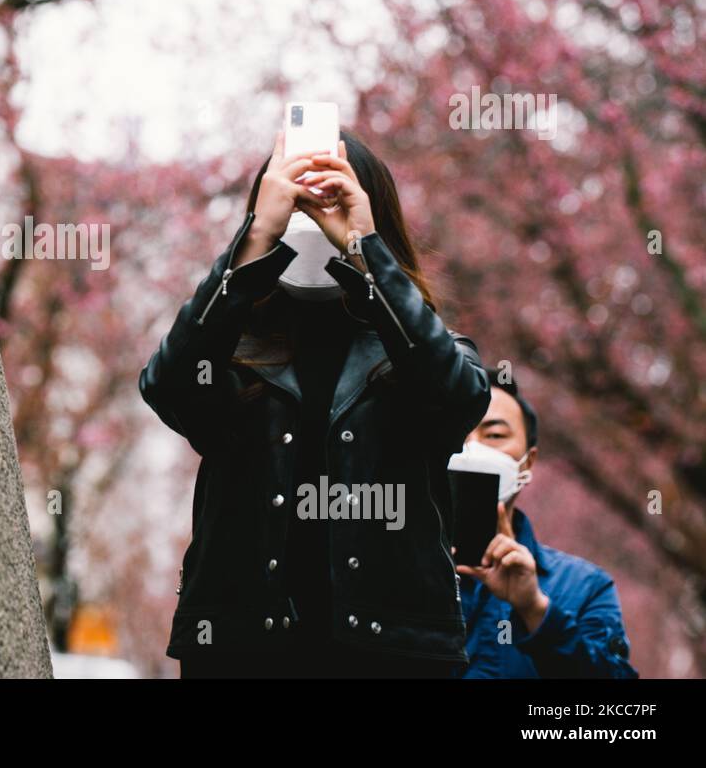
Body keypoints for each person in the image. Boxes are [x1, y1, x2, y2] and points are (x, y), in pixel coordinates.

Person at [140, 127, 491, 678]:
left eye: (327, 201)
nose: (312, 221)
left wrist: (367, 253)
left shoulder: (424, 349)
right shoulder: (228, 351)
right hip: (243, 651)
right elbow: (167, 386)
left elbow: (457, 399)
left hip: (391, 655)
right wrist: (255, 243)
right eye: (295, 204)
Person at [453, 379, 638, 678]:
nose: (473, 448)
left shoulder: (584, 587)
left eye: (495, 434)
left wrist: (535, 610)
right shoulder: (387, 569)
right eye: (457, 432)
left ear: (528, 462)